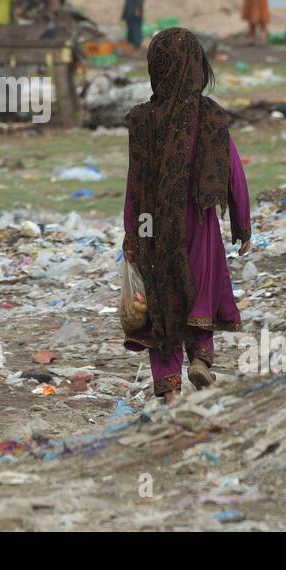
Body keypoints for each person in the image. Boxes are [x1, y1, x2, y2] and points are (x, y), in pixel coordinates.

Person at [122, 28, 251, 405]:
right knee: (200, 291)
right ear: (197, 67)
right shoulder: (209, 116)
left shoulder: (142, 120)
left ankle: (170, 390)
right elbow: (233, 173)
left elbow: (135, 184)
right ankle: (200, 358)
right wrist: (241, 225)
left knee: (160, 300)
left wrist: (132, 234)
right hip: (199, 221)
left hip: (152, 225)